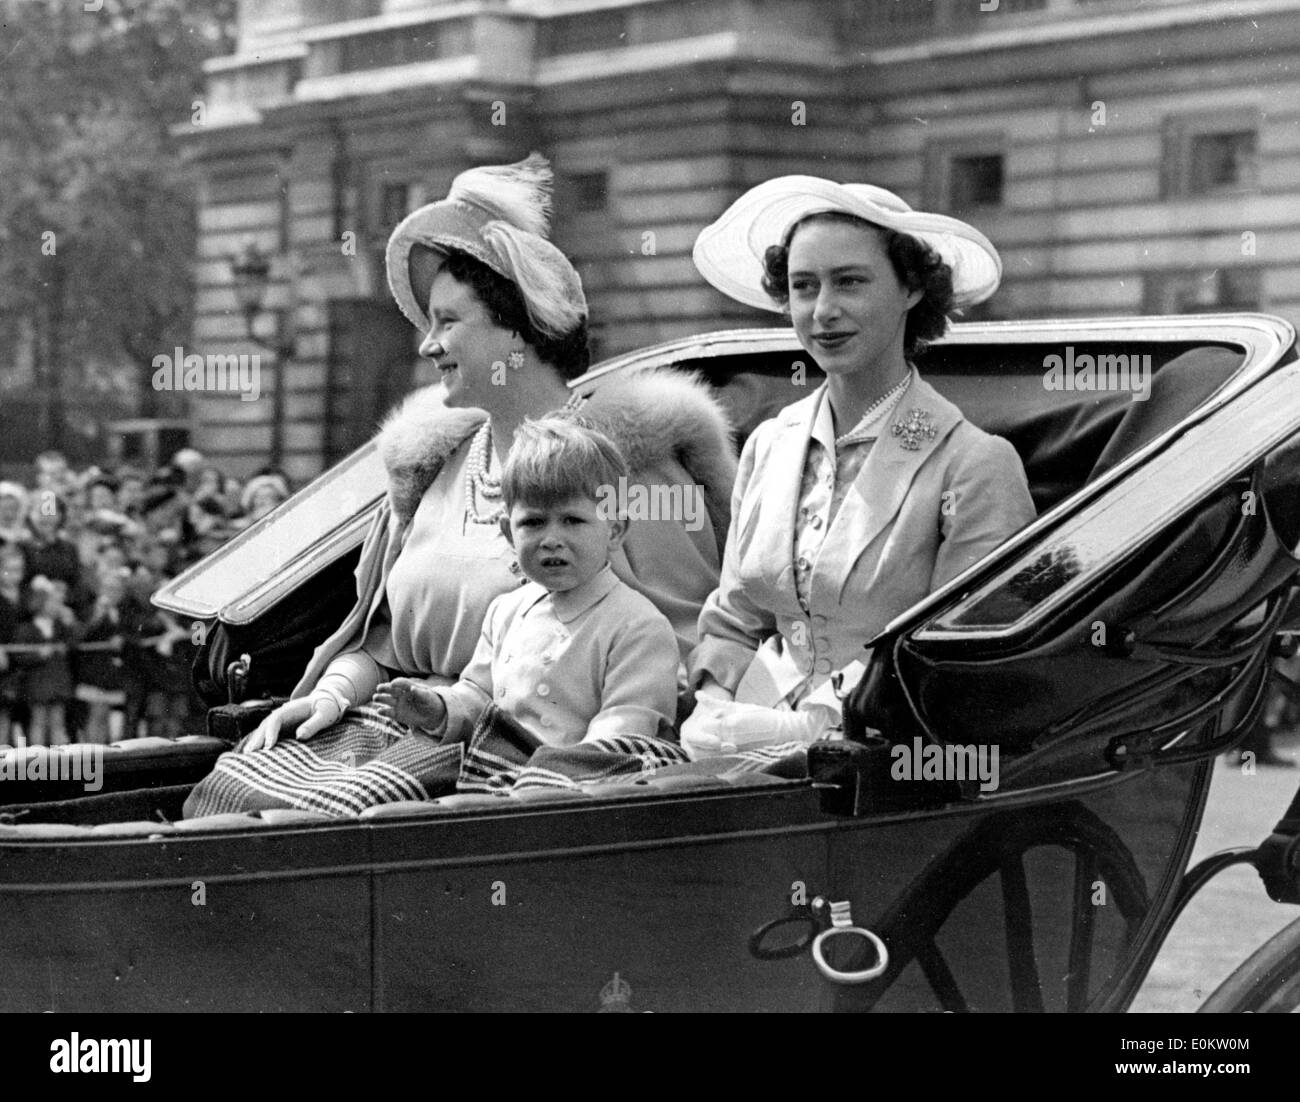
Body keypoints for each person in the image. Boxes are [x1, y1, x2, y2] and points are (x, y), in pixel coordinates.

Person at [183, 153, 734, 817]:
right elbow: (382, 646)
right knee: (224, 796)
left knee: (302, 831)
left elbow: (675, 671)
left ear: (521, 327)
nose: (427, 345)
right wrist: (327, 695)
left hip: (523, 770)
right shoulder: (435, 467)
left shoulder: (627, 469)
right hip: (386, 731)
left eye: (449, 322)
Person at [683, 177, 1036, 756]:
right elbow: (736, 616)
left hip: (889, 763)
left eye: (850, 282)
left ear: (911, 289)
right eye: (804, 286)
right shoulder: (769, 445)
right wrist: (714, 702)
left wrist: (812, 724)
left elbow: (955, 657)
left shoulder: (972, 463)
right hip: (742, 738)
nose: (823, 311)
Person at [373, 419, 679, 747]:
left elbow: (624, 725)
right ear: (508, 533)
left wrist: (548, 778)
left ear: (615, 530)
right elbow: (479, 697)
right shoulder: (505, 611)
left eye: (572, 521)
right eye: (533, 523)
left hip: (576, 781)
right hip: (496, 765)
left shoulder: (638, 626)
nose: (551, 540)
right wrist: (438, 709)